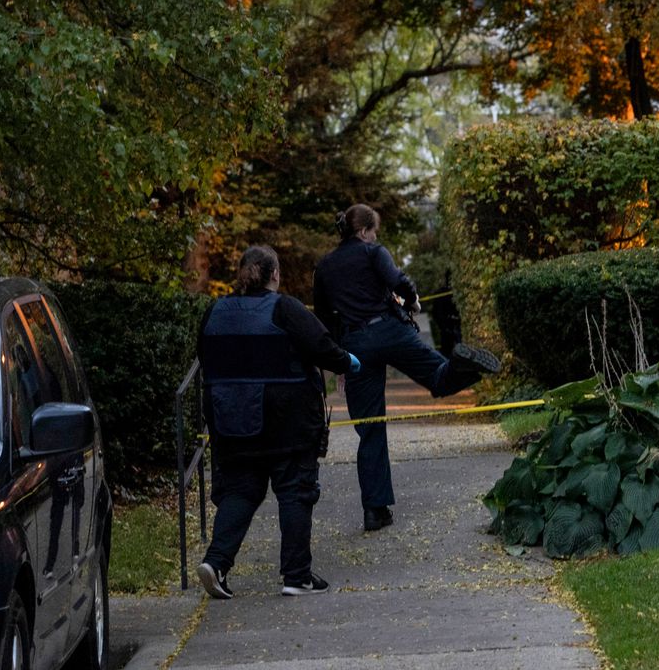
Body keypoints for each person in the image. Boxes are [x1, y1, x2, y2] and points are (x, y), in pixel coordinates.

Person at [314, 203, 501, 532]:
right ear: (364, 231)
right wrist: (413, 301)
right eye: (374, 232)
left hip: (355, 344)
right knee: (439, 378)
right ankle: (460, 362)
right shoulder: (374, 252)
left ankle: (375, 511)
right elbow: (399, 281)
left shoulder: (325, 267)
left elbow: (323, 317)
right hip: (390, 331)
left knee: (370, 427)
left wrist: (340, 359)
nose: (375, 237)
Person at [197, 245, 360, 599]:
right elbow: (321, 346)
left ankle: (216, 562)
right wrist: (348, 362)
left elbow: (204, 357)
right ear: (274, 274)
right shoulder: (285, 308)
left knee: (241, 490)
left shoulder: (215, 311)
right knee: (295, 490)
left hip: (231, 420)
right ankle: (297, 575)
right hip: (287, 420)